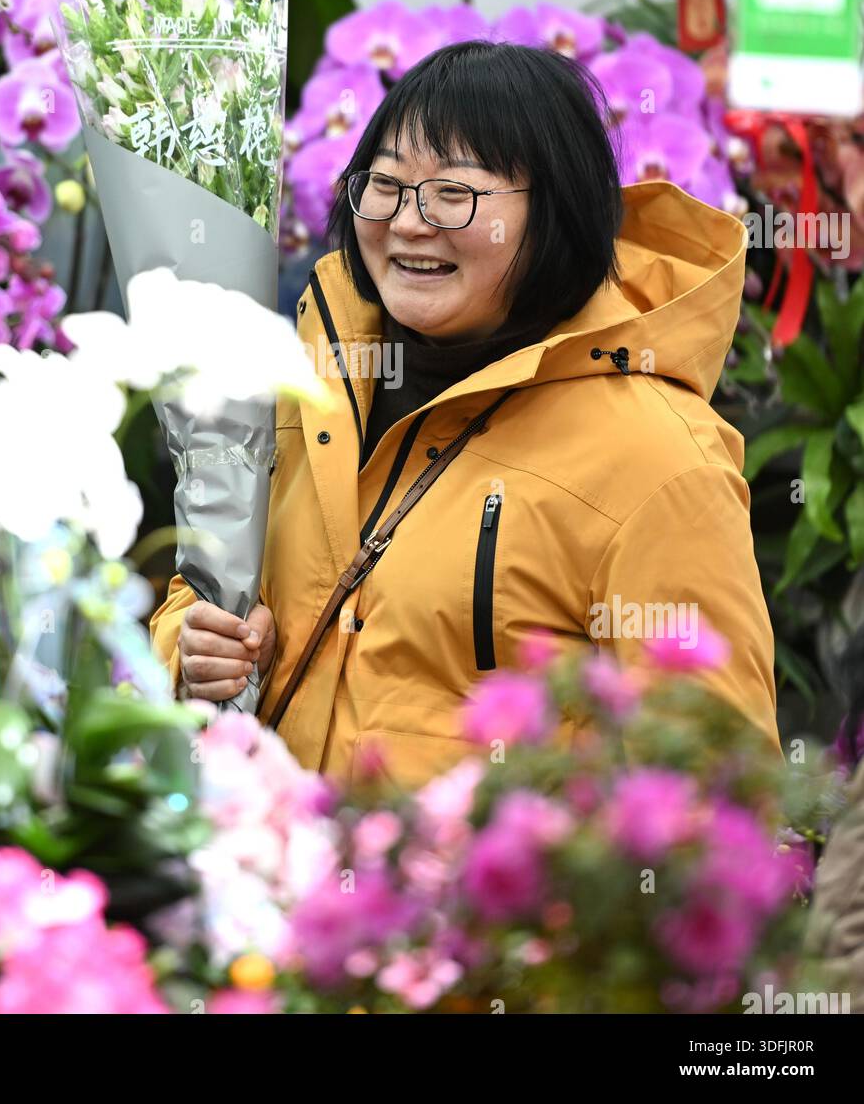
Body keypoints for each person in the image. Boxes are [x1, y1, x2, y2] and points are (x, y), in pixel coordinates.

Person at [150, 40, 781, 790]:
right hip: (269, 880)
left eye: (455, 194)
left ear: (555, 212)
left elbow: (715, 784)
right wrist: (188, 653)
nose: (409, 224)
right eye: (382, 186)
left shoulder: (658, 460)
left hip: (483, 907)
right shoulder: (310, 383)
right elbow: (201, 591)